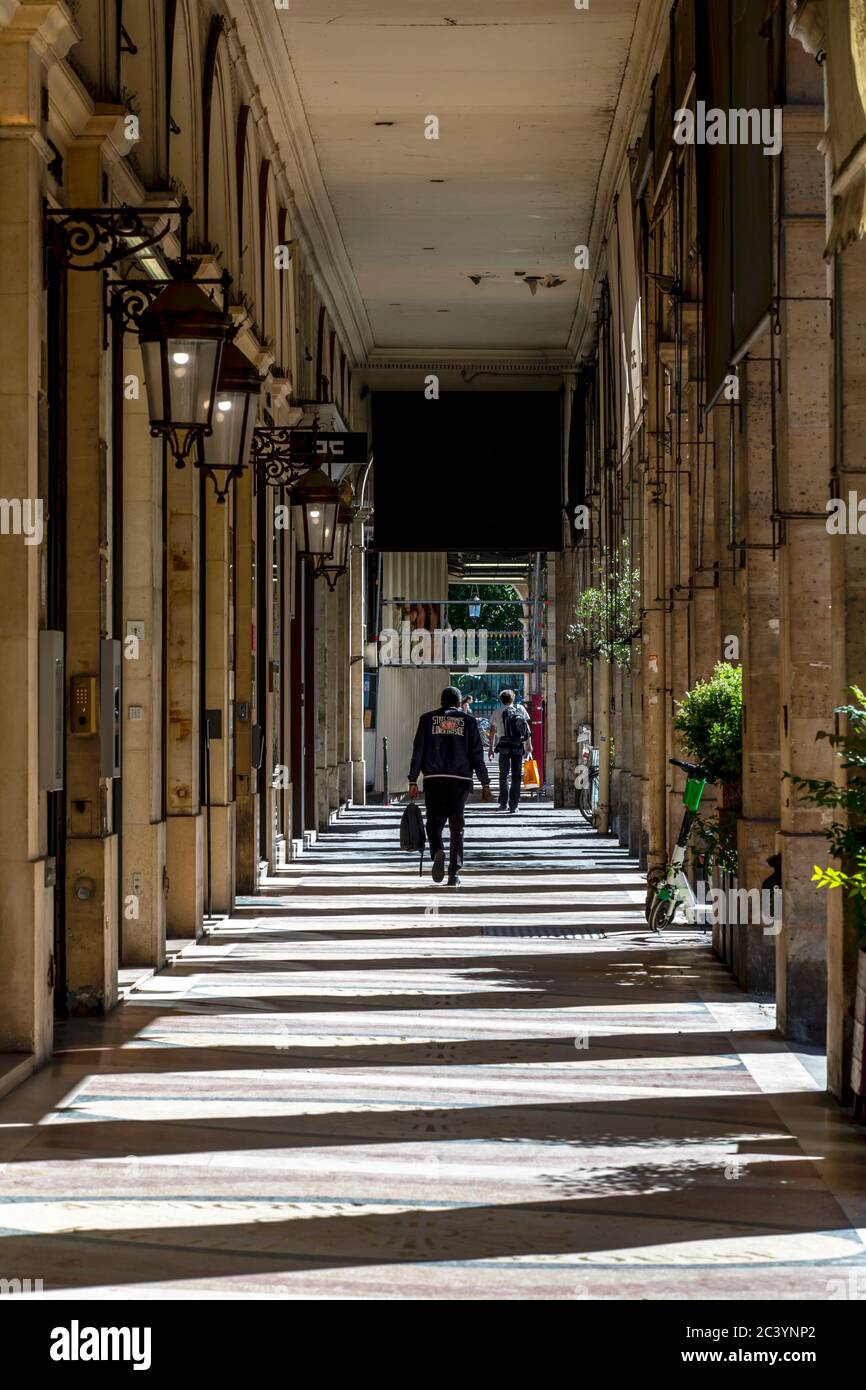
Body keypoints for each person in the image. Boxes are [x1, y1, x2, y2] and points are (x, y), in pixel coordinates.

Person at [408, 686, 491, 885]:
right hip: (460, 781)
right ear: (459, 702)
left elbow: (418, 750)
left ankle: (437, 850)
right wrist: (485, 782)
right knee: (457, 825)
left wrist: (413, 780)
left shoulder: (427, 719)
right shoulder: (469, 722)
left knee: (433, 823)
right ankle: (454, 873)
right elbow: (476, 755)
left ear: (441, 701)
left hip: (434, 779)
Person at [487, 688, 532, 813]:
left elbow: (492, 731)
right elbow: (526, 729)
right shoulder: (520, 709)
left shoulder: (497, 711)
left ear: (501, 700)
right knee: (516, 776)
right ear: (513, 698)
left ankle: (503, 803)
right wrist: (529, 745)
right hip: (518, 746)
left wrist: (490, 748)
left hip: (504, 746)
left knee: (503, 775)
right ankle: (514, 805)